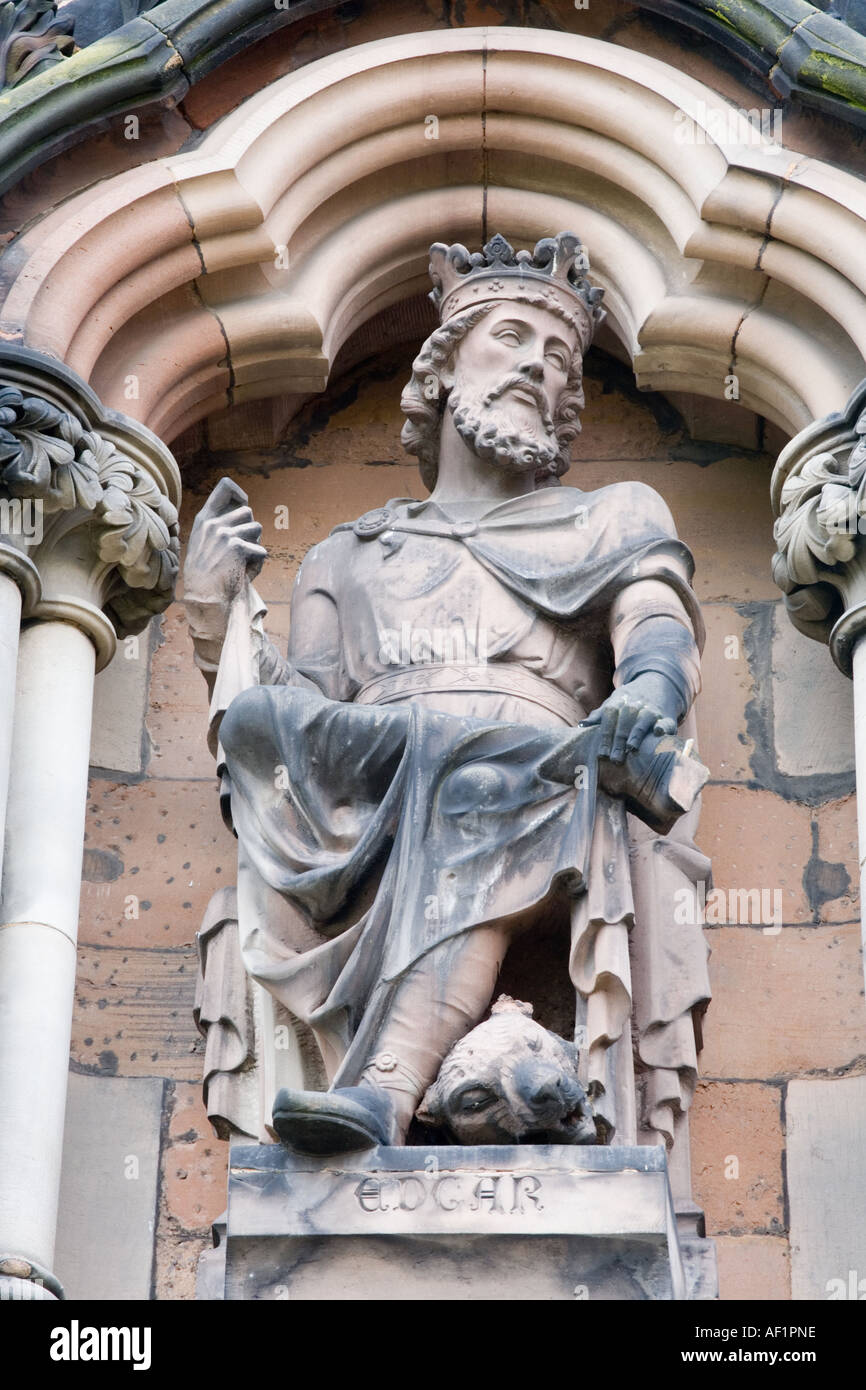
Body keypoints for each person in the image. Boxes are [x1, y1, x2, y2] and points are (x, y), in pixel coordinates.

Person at [183, 233, 710, 1157]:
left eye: (557, 359)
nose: (535, 369)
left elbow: (656, 628)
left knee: (471, 775)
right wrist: (207, 611)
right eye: (509, 337)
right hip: (375, 775)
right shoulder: (348, 555)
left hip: (540, 776)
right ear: (441, 368)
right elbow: (298, 724)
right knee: (274, 723)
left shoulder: (614, 515)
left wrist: (648, 701)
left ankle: (385, 1092)